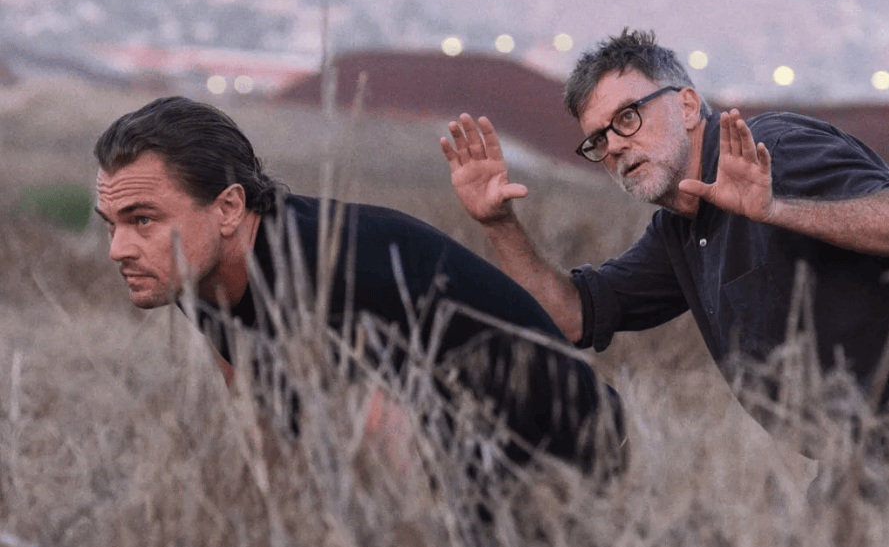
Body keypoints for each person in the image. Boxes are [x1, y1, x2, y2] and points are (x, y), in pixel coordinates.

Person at [93, 95, 625, 478]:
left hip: (572, 461)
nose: (118, 249)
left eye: (143, 220)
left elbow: (390, 475)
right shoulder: (200, 267)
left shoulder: (321, 268)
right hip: (457, 456)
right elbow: (259, 420)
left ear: (229, 207)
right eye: (111, 223)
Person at [440, 29, 889, 426]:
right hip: (858, 455)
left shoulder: (770, 150)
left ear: (686, 106)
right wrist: (499, 222)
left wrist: (776, 210)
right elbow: (571, 316)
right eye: (598, 139)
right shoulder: (678, 231)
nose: (614, 147)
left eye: (627, 117)